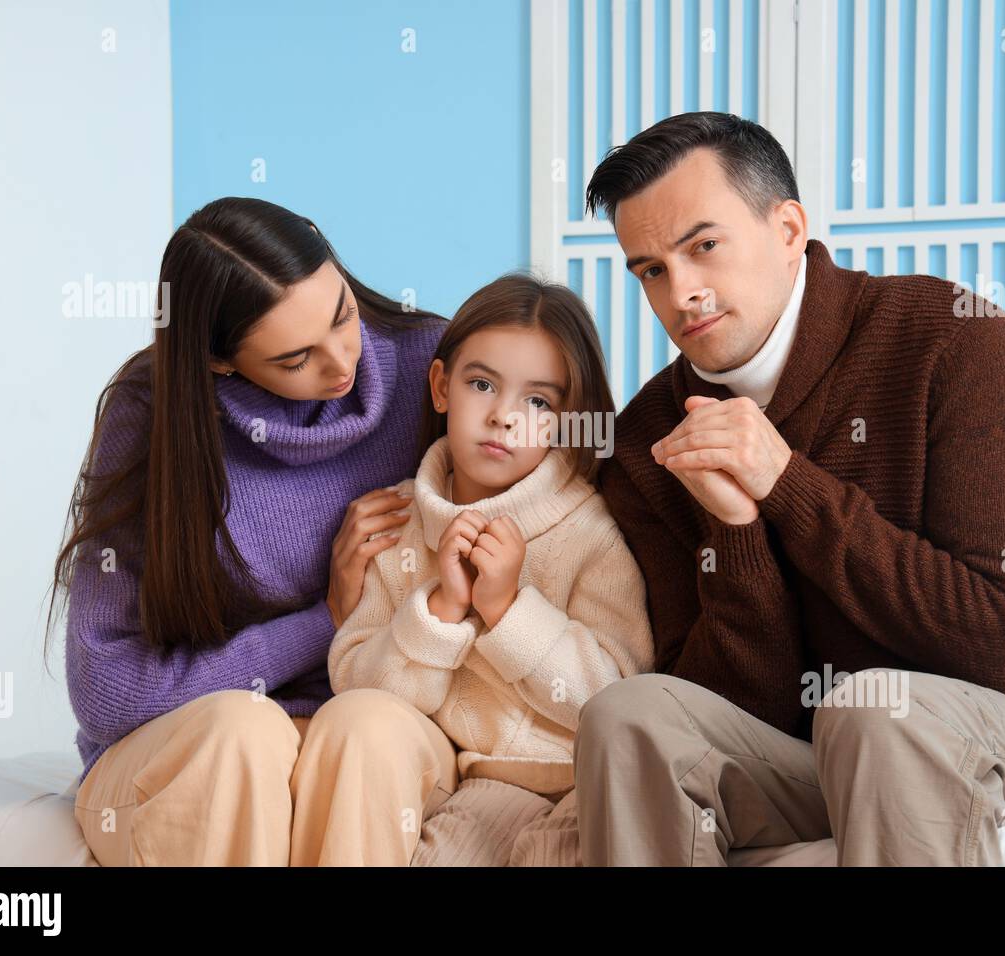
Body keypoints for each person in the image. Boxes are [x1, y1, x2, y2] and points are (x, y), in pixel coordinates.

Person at [572, 111, 1005, 866]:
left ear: (787, 230)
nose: (682, 293)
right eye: (650, 269)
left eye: (703, 247)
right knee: (631, 716)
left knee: (875, 713)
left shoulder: (953, 338)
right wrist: (739, 538)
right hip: (825, 753)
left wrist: (785, 484)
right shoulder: (650, 441)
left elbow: (999, 645)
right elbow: (726, 703)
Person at [49, 196, 446, 865]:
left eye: (342, 314)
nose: (342, 363)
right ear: (219, 363)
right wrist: (325, 619)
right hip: (199, 745)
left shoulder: (433, 363)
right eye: (295, 359)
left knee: (364, 731)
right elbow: (105, 692)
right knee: (246, 733)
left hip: (362, 724)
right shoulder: (152, 414)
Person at [326, 273, 654, 865]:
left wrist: (506, 610)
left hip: (591, 781)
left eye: (537, 401)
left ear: (566, 419)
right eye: (482, 384)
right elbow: (356, 689)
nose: (505, 416)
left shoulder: (591, 532)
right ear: (441, 385)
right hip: (480, 787)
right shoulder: (398, 523)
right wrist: (440, 612)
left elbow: (619, 699)